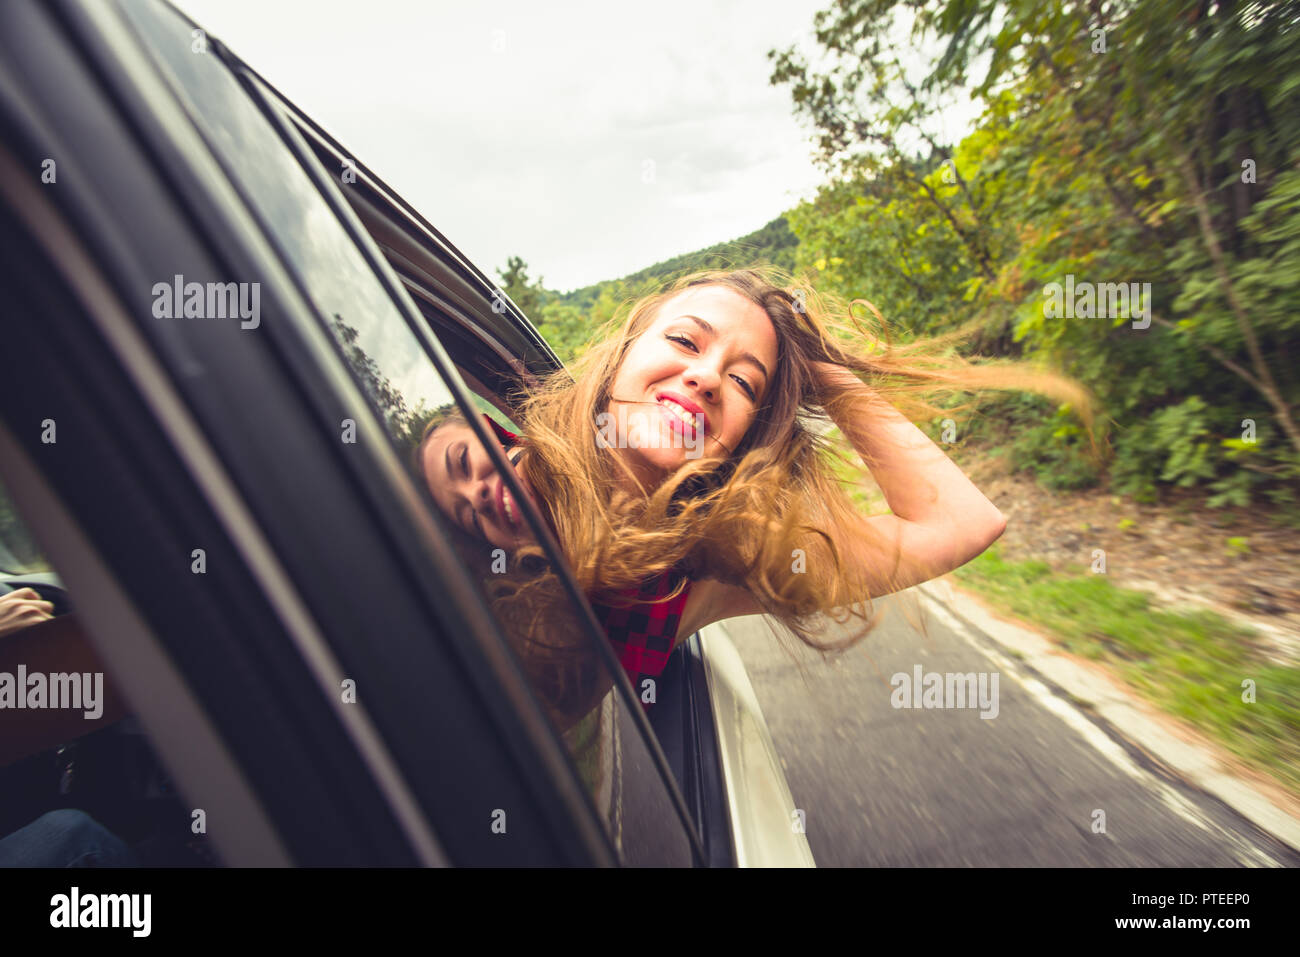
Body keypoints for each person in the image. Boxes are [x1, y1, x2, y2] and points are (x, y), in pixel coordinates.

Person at [414, 266, 1099, 701]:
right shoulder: (463, 517)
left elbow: (960, 523)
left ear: (746, 434)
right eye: (685, 341)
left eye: (745, 381)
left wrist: (816, 365)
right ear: (622, 355)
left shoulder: (703, 573)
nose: (707, 377)